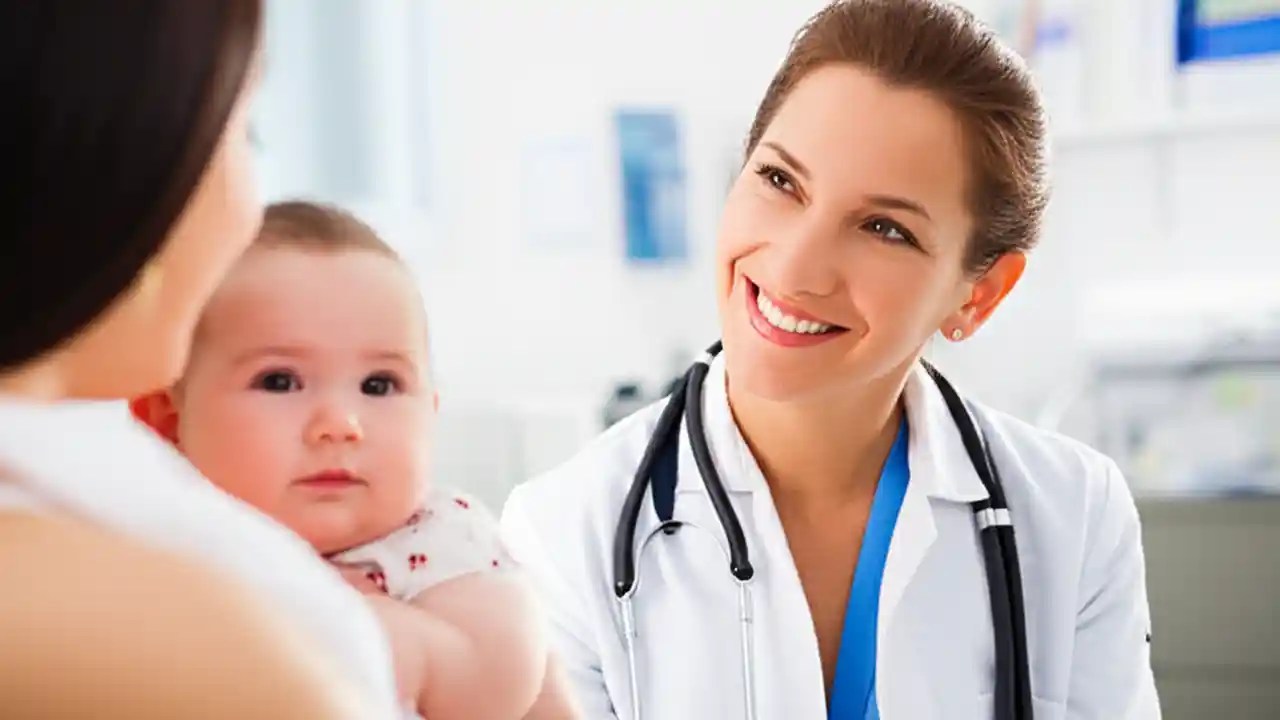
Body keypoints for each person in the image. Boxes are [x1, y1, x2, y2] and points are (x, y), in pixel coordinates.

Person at [499, 1, 1161, 718]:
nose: (797, 267)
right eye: (780, 181)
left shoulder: (1074, 514)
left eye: (884, 228)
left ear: (979, 294)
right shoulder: (565, 533)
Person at [0, 3, 401, 717]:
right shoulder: (175, 647)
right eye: (245, 131)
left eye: (382, 383)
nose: (340, 423)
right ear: (127, 160)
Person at [132, 200, 581, 720]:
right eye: (280, 381)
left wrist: (376, 634)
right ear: (167, 421)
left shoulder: (437, 539)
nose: (341, 424)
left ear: (429, 413)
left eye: (379, 384)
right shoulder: (163, 545)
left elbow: (500, 676)